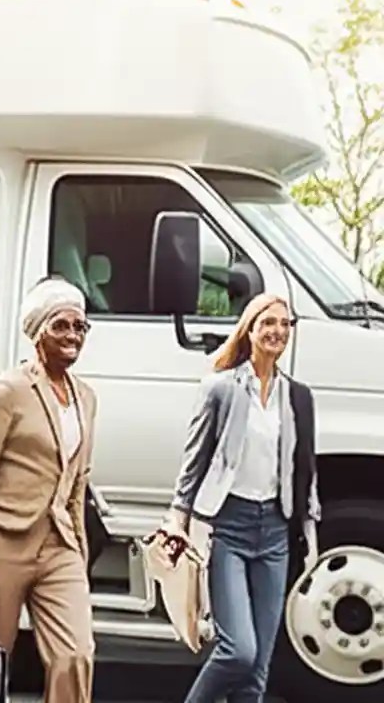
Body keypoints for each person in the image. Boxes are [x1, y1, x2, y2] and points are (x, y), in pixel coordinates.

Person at [0, 276, 98, 703]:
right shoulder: (5, 392)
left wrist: (79, 550)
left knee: (76, 654)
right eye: (61, 326)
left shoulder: (86, 398)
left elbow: (76, 482)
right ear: (37, 332)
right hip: (0, 546)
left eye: (80, 326)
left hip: (59, 546)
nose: (72, 336)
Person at [157, 293, 321, 703]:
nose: (277, 332)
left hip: (276, 533)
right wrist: (178, 517)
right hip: (228, 527)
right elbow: (194, 461)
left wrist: (309, 532)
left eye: (285, 324)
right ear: (249, 329)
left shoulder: (299, 396)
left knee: (259, 665)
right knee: (239, 650)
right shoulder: (221, 389)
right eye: (268, 322)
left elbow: (306, 468)